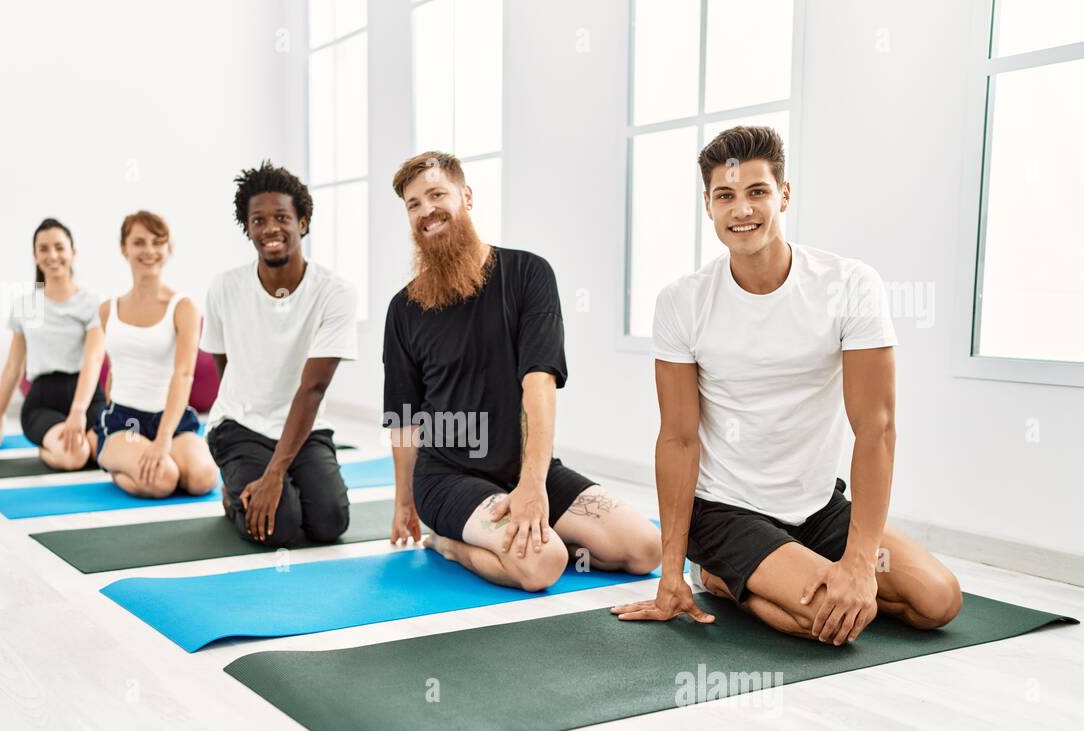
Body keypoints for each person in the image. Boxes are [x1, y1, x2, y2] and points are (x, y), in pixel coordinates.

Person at [612, 126, 962, 645]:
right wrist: (668, 570)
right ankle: (717, 574)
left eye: (757, 192)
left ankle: (784, 572)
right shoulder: (682, 301)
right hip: (727, 510)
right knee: (823, 619)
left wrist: (861, 565)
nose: (742, 210)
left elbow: (877, 430)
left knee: (938, 600)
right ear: (707, 205)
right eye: (725, 196)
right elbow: (678, 439)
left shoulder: (848, 284)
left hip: (817, 506)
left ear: (784, 195)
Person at [383, 151, 663, 592]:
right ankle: (450, 545)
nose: (426, 211)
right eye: (413, 204)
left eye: (437, 195)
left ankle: (522, 530)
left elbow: (540, 382)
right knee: (542, 564)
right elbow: (402, 416)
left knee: (645, 548)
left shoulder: (528, 274)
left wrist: (533, 484)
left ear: (466, 197)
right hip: (447, 477)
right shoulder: (404, 309)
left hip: (527, 467)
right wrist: (405, 501)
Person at [203, 161, 357, 546]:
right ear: (248, 228)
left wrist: (274, 473)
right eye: (258, 220)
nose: (270, 228)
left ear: (302, 222)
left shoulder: (335, 293)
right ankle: (232, 493)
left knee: (330, 523)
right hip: (240, 426)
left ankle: (272, 478)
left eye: (282, 217)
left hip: (304, 427)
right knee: (280, 528)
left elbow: (314, 389)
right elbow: (225, 366)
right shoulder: (224, 288)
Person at [81, 211, 218, 498]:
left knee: (203, 478)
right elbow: (112, 369)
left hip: (171, 420)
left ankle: (137, 459)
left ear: (169, 249)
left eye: (158, 243)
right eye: (139, 242)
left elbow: (184, 374)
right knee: (164, 480)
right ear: (124, 248)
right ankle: (110, 457)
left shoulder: (184, 307)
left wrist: (164, 438)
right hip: (124, 421)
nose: (149, 251)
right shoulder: (108, 309)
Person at [0, 218, 107, 469]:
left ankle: (81, 437)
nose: (52, 255)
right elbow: (13, 367)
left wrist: (78, 411)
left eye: (59, 247)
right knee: (74, 457)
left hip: (86, 396)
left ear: (73, 253)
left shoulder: (93, 302)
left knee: (102, 455)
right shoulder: (25, 305)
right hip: (43, 400)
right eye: (44, 249)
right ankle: (46, 449)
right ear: (35, 255)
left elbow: (94, 358)